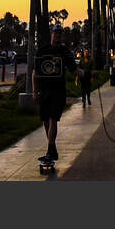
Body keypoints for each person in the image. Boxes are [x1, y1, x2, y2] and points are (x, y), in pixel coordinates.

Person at [36, 27, 76, 162]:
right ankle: (52, 150)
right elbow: (34, 73)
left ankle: (50, 150)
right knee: (46, 120)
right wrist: (35, 91)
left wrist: (87, 74)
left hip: (58, 91)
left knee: (53, 118)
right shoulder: (42, 51)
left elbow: (74, 69)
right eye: (56, 33)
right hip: (44, 91)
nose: (58, 36)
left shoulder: (65, 52)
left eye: (60, 34)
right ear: (52, 34)